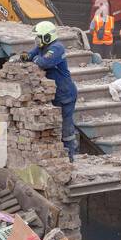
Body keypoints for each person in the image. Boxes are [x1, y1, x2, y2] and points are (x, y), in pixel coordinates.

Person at [20, 21, 79, 161]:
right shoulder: (41, 47)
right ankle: (60, 157)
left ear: (47, 37)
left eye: (39, 37)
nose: (37, 40)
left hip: (65, 94)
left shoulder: (57, 47)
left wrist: (34, 59)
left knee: (66, 128)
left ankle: (70, 157)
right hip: (56, 94)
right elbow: (30, 56)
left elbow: (44, 62)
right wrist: (24, 57)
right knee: (56, 127)